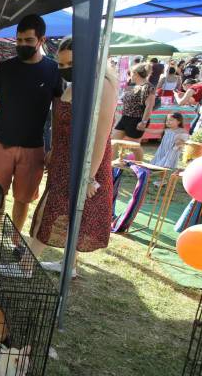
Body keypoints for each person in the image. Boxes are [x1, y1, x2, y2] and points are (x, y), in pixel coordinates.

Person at [26, 36, 119, 278]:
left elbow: (101, 136)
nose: (65, 70)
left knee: (51, 212)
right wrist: (55, 150)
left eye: (70, 64)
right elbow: (62, 123)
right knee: (67, 214)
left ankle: (26, 265)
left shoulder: (103, 85)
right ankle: (70, 266)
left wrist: (89, 176)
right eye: (62, 65)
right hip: (62, 160)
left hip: (85, 164)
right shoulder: (75, 84)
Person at [0, 14, 62, 245]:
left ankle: (15, 239)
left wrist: (54, 147)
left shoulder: (53, 70)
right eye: (19, 40)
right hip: (1, 144)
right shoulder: (3, 68)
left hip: (34, 147)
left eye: (28, 40)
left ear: (41, 40)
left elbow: (58, 114)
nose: (22, 45)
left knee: (23, 199)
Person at [112, 63, 155, 160]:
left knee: (134, 146)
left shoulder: (148, 87)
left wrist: (143, 122)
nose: (129, 75)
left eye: (130, 73)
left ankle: (140, 166)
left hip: (137, 119)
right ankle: (111, 166)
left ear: (136, 73)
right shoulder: (133, 85)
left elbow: (149, 106)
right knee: (114, 141)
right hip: (125, 117)